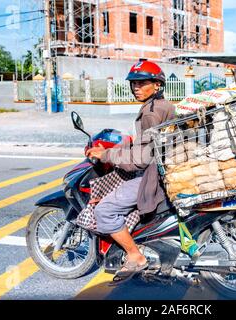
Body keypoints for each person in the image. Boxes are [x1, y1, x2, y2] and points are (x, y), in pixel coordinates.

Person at [85, 59, 175, 283]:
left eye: (142, 83)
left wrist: (107, 155)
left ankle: (135, 256)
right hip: (163, 168)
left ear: (157, 85)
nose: (136, 88)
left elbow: (142, 159)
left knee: (104, 210)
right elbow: (144, 143)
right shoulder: (162, 105)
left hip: (154, 176)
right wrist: (117, 149)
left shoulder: (151, 112)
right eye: (133, 83)